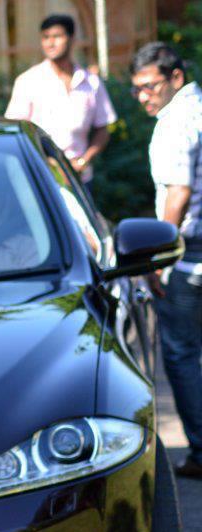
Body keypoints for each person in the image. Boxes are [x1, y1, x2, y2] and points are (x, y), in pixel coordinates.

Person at [130, 43, 202, 477]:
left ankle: (201, 451)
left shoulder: (176, 122)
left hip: (189, 258)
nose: (143, 97)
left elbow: (178, 191)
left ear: (176, 78)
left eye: (150, 86)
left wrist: (158, 257)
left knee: (180, 353)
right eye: (136, 89)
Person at [5, 14, 116, 186]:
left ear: (72, 39)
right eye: (45, 37)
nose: (50, 43)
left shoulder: (91, 82)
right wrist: (51, 163)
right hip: (40, 176)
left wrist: (84, 160)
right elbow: (16, 130)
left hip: (80, 179)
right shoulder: (28, 81)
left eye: (57, 36)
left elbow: (103, 127)